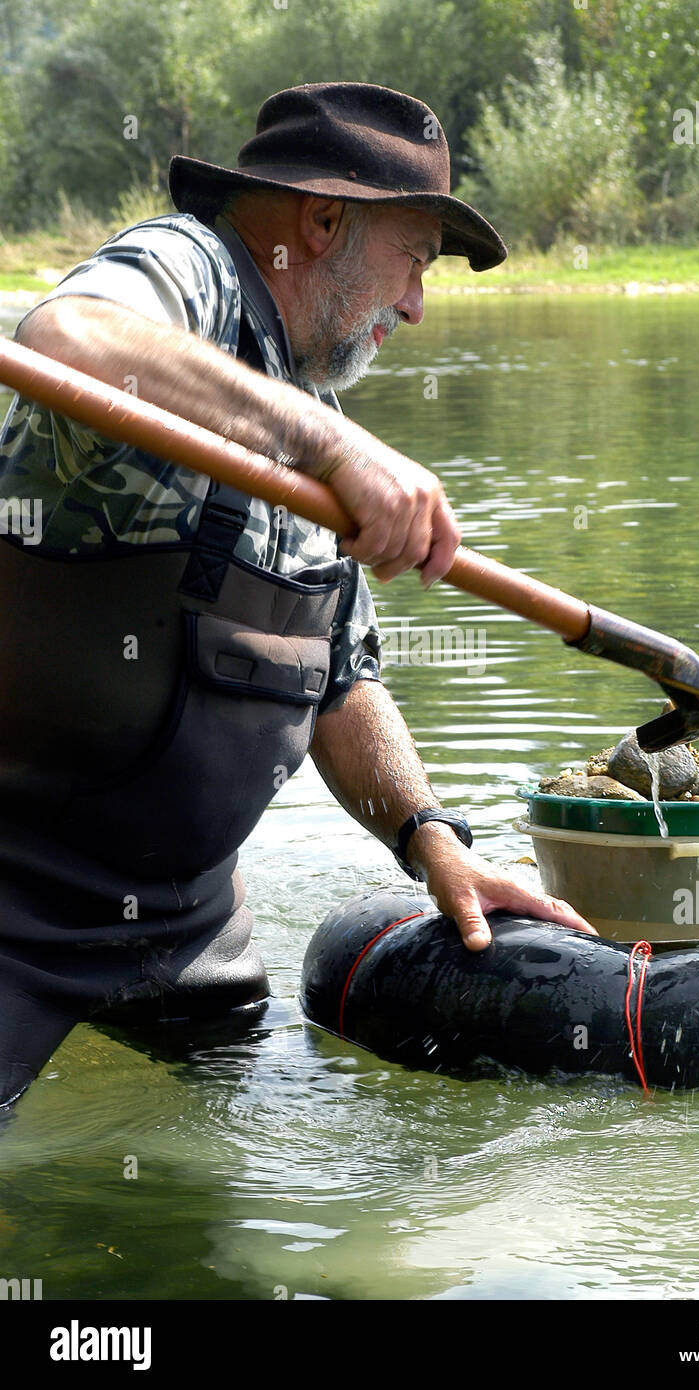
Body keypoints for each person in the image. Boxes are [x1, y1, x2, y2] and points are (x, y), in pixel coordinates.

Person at [0, 82, 594, 1111]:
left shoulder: (309, 404)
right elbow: (68, 338)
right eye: (413, 259)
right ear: (321, 223)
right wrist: (327, 443)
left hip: (189, 935)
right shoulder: (188, 269)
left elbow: (339, 677)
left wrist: (432, 838)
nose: (416, 304)